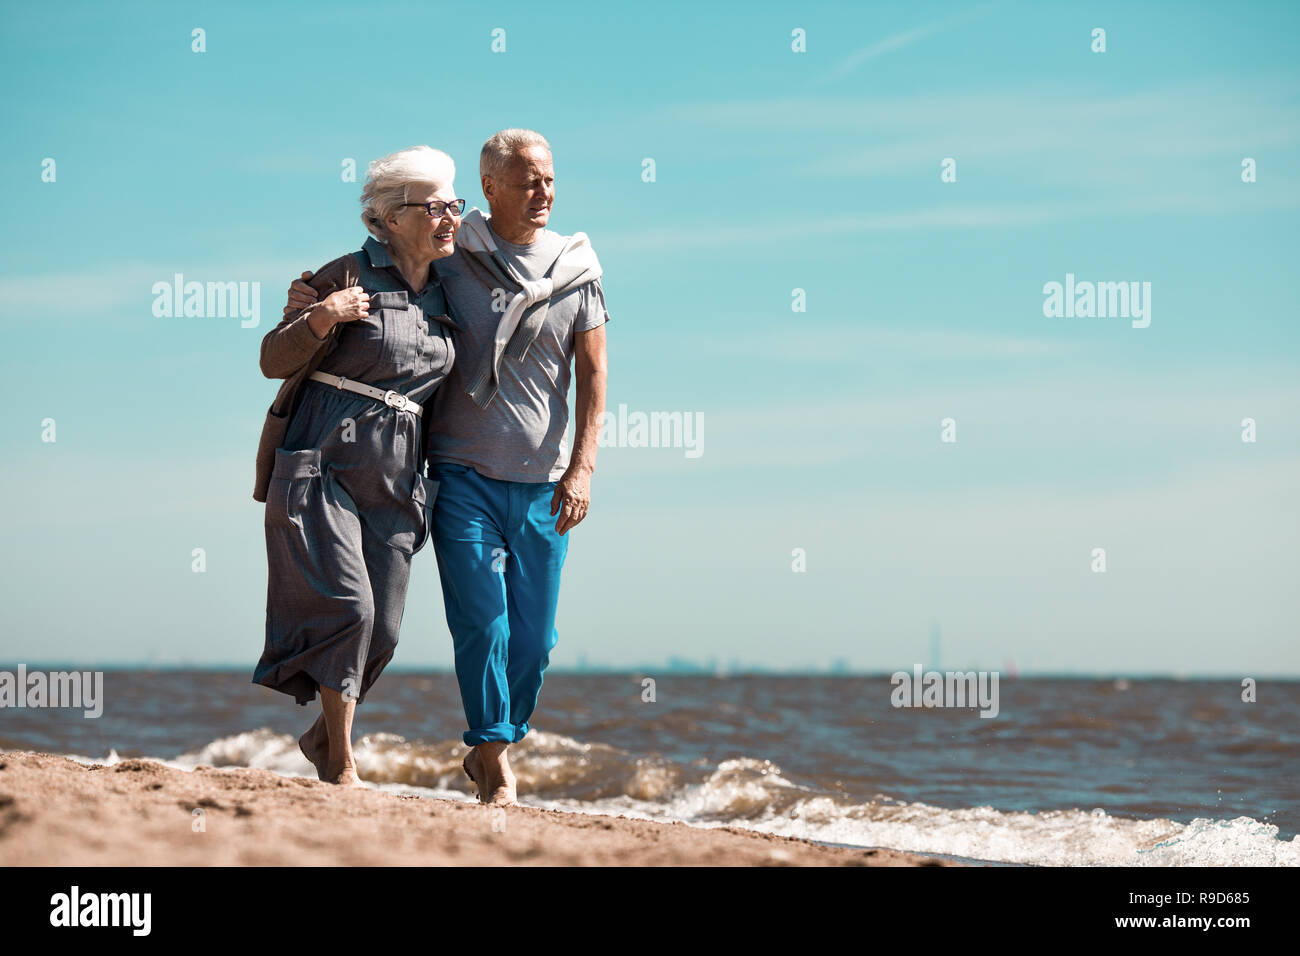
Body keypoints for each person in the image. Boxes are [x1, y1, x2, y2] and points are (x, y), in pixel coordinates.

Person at [284, 129, 609, 804]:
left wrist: (582, 469)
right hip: (458, 475)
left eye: (549, 179)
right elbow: (384, 265)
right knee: (480, 623)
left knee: (535, 642)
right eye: (528, 181)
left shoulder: (579, 268)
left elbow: (594, 375)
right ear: (491, 188)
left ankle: (498, 735)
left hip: (544, 481)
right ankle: (490, 757)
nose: (543, 192)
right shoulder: (455, 254)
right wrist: (312, 304)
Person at [253, 146, 463, 786]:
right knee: (350, 607)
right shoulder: (346, 273)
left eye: (455, 204)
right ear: (389, 219)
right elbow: (272, 358)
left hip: (398, 473)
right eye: (435, 206)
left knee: (388, 627)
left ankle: (321, 738)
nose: (450, 216)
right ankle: (343, 763)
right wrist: (320, 315)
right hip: (323, 459)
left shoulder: (454, 288)